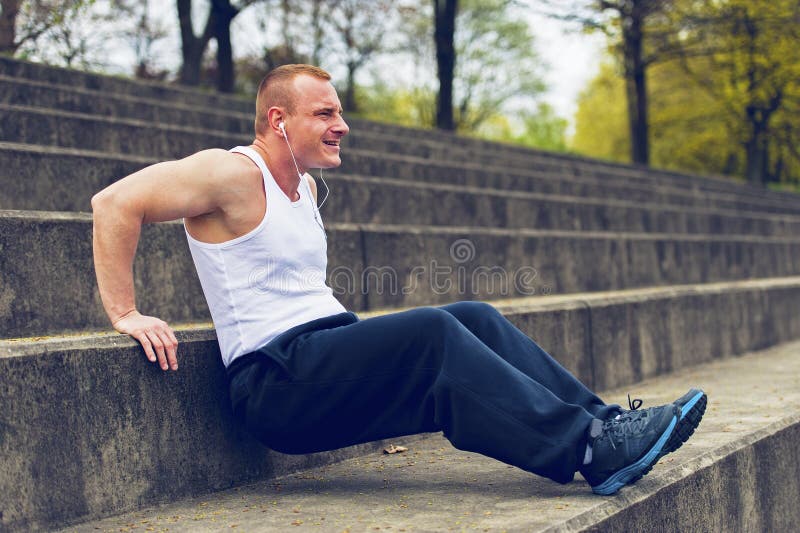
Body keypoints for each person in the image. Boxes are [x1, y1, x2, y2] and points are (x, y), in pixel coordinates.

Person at [91, 64, 706, 495]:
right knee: (434, 332)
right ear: (278, 119)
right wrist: (125, 313)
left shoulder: (303, 185)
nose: (342, 124)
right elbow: (114, 204)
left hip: (324, 358)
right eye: (325, 112)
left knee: (475, 316)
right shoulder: (226, 173)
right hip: (276, 383)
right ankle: (587, 452)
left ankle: (606, 427)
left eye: (340, 112)